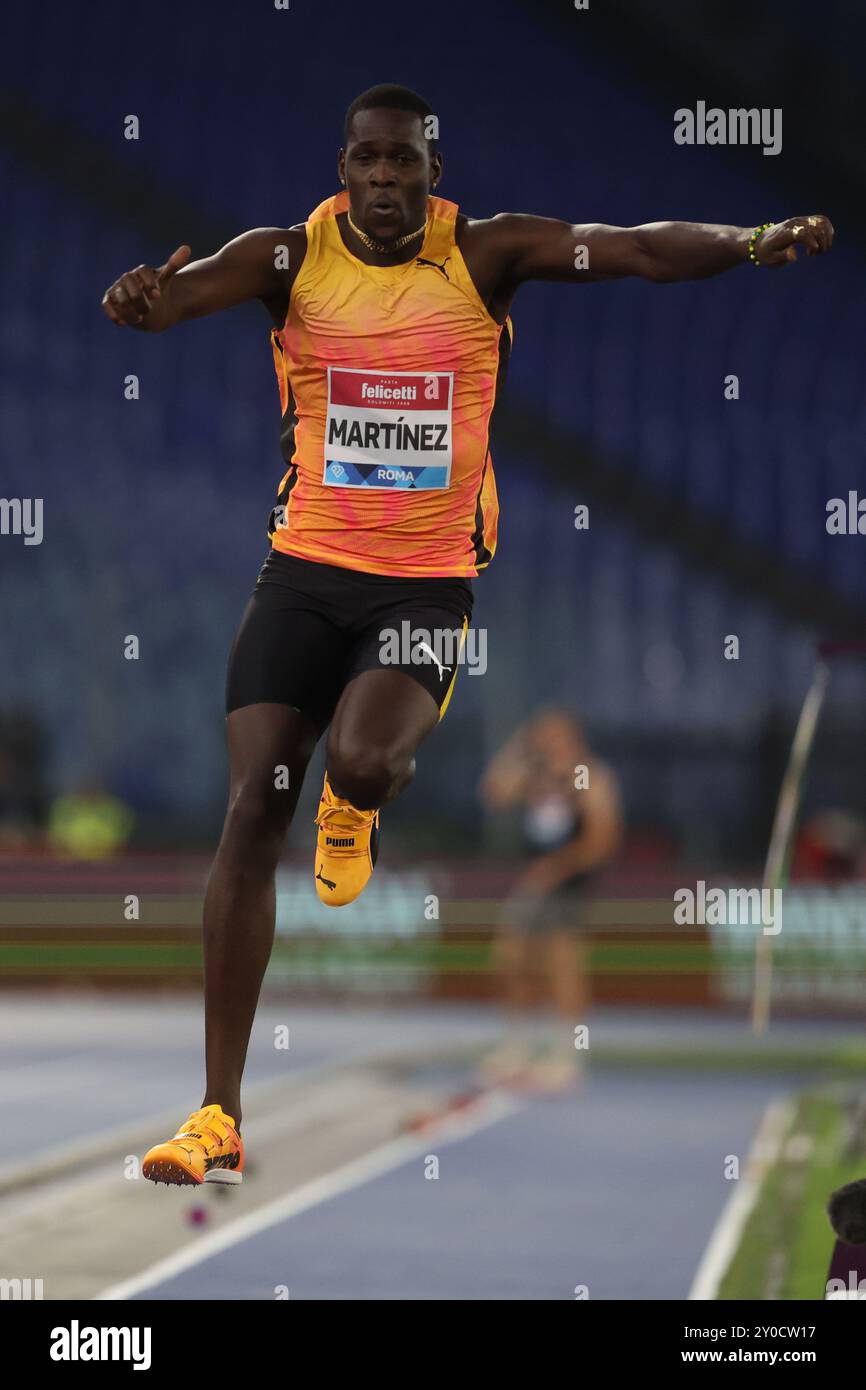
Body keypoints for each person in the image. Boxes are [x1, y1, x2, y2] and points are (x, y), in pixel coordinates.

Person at [101, 82, 834, 1183]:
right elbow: (175, 301)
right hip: (301, 574)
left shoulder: (486, 255)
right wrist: (141, 302)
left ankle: (352, 806)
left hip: (421, 587)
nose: (383, 179)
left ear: (431, 171)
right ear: (343, 168)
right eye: (366, 160)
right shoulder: (286, 259)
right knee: (251, 809)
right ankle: (216, 1115)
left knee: (363, 758)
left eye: (402, 161)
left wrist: (749, 239)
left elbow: (633, 249)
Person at [479, 708, 622, 1088]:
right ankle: (518, 1046)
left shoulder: (589, 775)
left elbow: (603, 838)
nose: (547, 742)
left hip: (568, 879)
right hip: (533, 879)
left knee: (563, 964)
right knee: (512, 958)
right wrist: (518, 745)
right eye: (541, 735)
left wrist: (558, 868)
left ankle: (567, 1053)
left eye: (554, 735)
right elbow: (493, 791)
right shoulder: (535, 773)